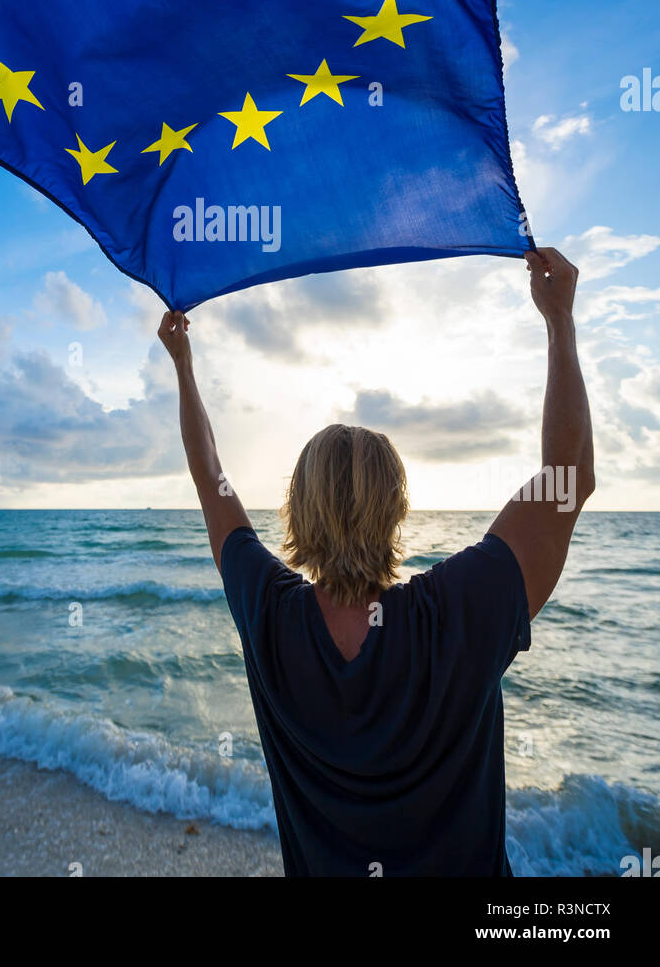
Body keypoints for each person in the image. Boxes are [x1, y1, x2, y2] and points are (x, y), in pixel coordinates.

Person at [158, 247, 594, 877]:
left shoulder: (268, 612)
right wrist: (559, 321)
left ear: (296, 511)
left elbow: (210, 479)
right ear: (398, 509)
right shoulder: (458, 608)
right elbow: (569, 478)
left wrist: (183, 365)